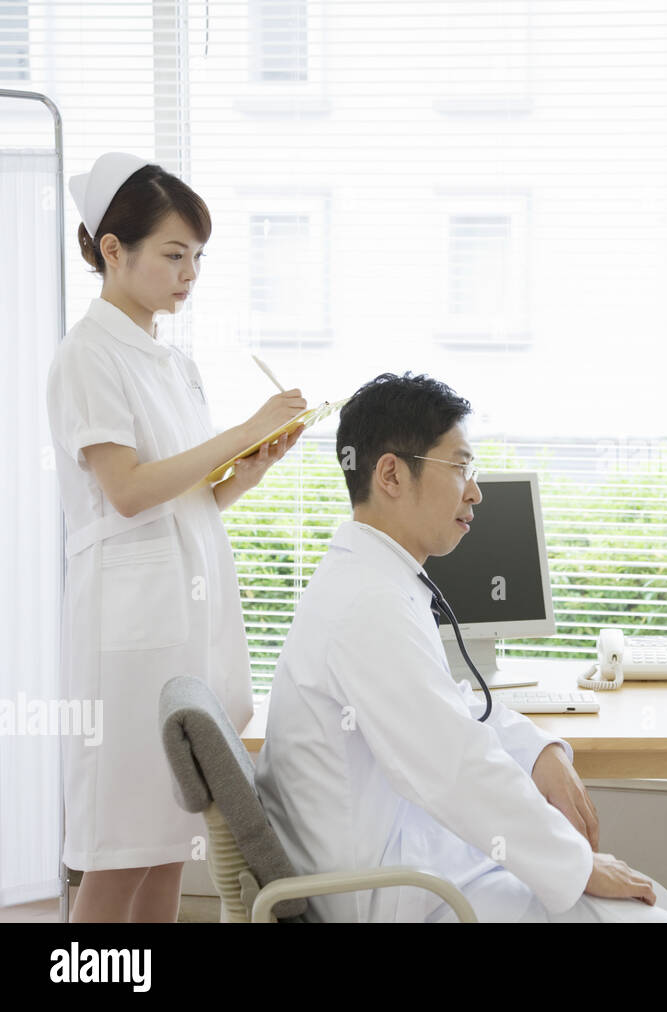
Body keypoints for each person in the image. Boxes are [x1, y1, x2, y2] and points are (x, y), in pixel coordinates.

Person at [254, 372, 667, 922]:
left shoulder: (372, 582)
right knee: (639, 912)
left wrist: (538, 750)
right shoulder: (368, 603)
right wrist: (576, 864)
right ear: (391, 474)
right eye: (459, 466)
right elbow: (452, 763)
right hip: (397, 891)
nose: (475, 490)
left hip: (417, 862)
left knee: (645, 905)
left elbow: (448, 706)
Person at [47, 152, 307, 922]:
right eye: (173, 254)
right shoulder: (86, 356)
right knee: (116, 847)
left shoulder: (175, 364)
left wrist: (246, 470)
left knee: (169, 841)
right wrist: (237, 432)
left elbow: (184, 501)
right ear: (112, 249)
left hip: (179, 624)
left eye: (197, 257)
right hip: (125, 640)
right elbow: (126, 491)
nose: (188, 273)